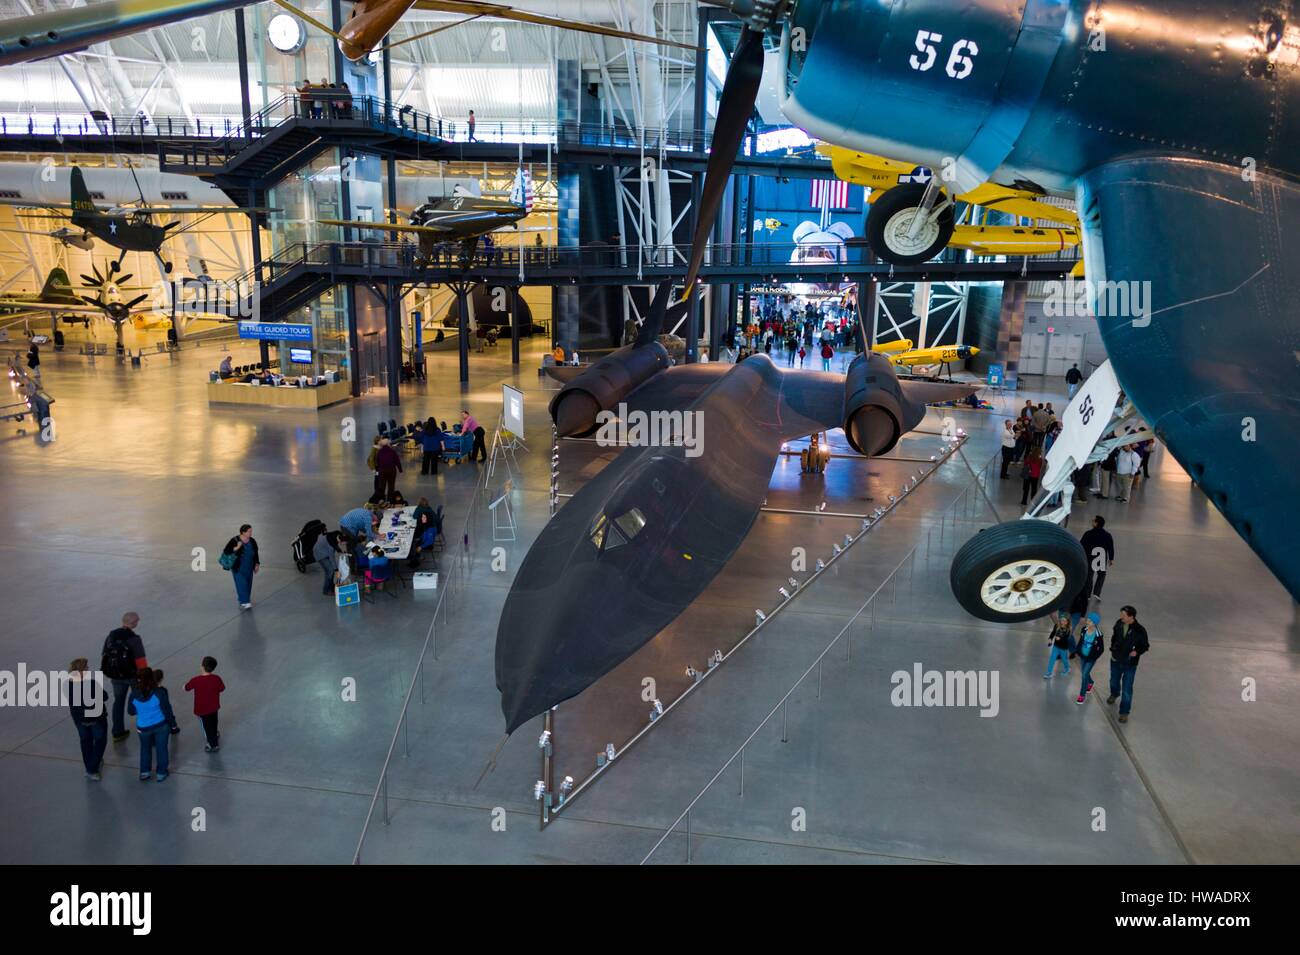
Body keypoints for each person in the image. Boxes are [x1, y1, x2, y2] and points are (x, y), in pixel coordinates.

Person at [101, 612, 149, 742]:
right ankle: (146, 730)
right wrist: (146, 677)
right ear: (134, 623)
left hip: (116, 676)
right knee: (141, 701)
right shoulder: (135, 639)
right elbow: (141, 661)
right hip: (133, 676)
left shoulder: (111, 635)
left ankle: (117, 732)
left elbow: (104, 653)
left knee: (118, 702)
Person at [127, 668, 177, 781]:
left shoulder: (134, 694)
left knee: (145, 749)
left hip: (143, 728)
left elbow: (131, 711)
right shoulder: (159, 693)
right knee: (161, 749)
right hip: (161, 726)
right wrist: (173, 725)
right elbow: (167, 710)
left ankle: (145, 772)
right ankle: (161, 773)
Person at [1107, 606, 1150, 722]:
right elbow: (1114, 636)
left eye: (1124, 615)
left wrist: (1137, 652)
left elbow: (1145, 646)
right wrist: (1113, 648)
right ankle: (1114, 693)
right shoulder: (1119, 623)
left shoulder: (1140, 630)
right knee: (1113, 681)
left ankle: (1124, 712)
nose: (1121, 617)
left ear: (1131, 617)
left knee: (1127, 688)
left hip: (1129, 664)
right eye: (1121, 614)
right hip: (1116, 659)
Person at [67, 658, 107, 779]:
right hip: (95, 719)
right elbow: (105, 696)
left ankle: (90, 765)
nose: (88, 669)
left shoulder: (69, 685)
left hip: (79, 720)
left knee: (85, 742)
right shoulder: (91, 684)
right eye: (86, 667)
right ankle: (92, 769)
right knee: (100, 741)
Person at [184, 657, 226, 752]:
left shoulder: (196, 680)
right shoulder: (216, 678)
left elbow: (187, 687)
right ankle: (215, 734)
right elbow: (222, 688)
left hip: (201, 710)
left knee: (206, 727)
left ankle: (212, 744)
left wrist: (184, 686)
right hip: (214, 707)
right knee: (214, 722)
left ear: (202, 666)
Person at [222, 524, 260, 610]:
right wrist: (237, 547)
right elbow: (226, 551)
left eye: (251, 531)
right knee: (241, 583)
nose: (251, 533)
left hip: (249, 566)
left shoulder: (252, 541)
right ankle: (245, 602)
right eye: (249, 531)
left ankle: (242, 598)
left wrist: (257, 564)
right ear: (243, 532)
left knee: (248, 583)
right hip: (238, 567)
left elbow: (256, 553)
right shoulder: (234, 540)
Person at [1080, 515, 1115, 598]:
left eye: (1093, 521)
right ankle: (1097, 593)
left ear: (1096, 523)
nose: (1092, 522)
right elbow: (1110, 547)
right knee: (1101, 575)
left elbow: (1081, 545)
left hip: (1090, 558)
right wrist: (1111, 558)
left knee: (1089, 576)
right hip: (1101, 558)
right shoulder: (1107, 535)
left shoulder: (1088, 533)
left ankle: (1087, 594)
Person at [1075, 613, 1105, 703]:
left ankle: (1082, 695)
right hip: (1083, 656)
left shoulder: (1098, 634)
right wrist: (1078, 650)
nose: (1087, 622)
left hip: (1091, 659)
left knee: (1084, 675)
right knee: (1085, 673)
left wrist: (1094, 657)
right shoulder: (1084, 630)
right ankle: (1090, 682)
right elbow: (1080, 641)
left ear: (1095, 623)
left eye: (1090, 621)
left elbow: (1101, 649)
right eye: (1088, 620)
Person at [313, 528, 352, 596]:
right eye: (345, 543)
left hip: (323, 549)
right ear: (342, 541)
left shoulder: (338, 534)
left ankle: (331, 586)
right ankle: (326, 590)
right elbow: (332, 558)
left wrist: (339, 550)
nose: (345, 545)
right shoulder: (331, 544)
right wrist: (336, 571)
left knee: (329, 571)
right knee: (330, 571)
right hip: (319, 554)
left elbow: (336, 544)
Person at [1044, 611, 1072, 679]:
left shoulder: (1068, 629)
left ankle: (1067, 668)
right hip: (1056, 646)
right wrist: (1050, 639)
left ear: (1068, 622)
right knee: (1052, 659)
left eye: (1065, 621)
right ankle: (1049, 672)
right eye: (1062, 620)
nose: (1063, 622)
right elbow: (1053, 633)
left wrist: (1060, 639)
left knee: (1064, 659)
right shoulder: (1057, 625)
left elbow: (1066, 639)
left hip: (1063, 648)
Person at [375, 436, 402, 503]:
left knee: (382, 486)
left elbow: (377, 461)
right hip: (391, 471)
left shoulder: (379, 452)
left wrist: (378, 469)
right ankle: (390, 499)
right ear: (388, 444)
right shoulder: (392, 451)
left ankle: (382, 499)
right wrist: (400, 469)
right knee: (391, 485)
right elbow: (397, 461)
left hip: (382, 471)